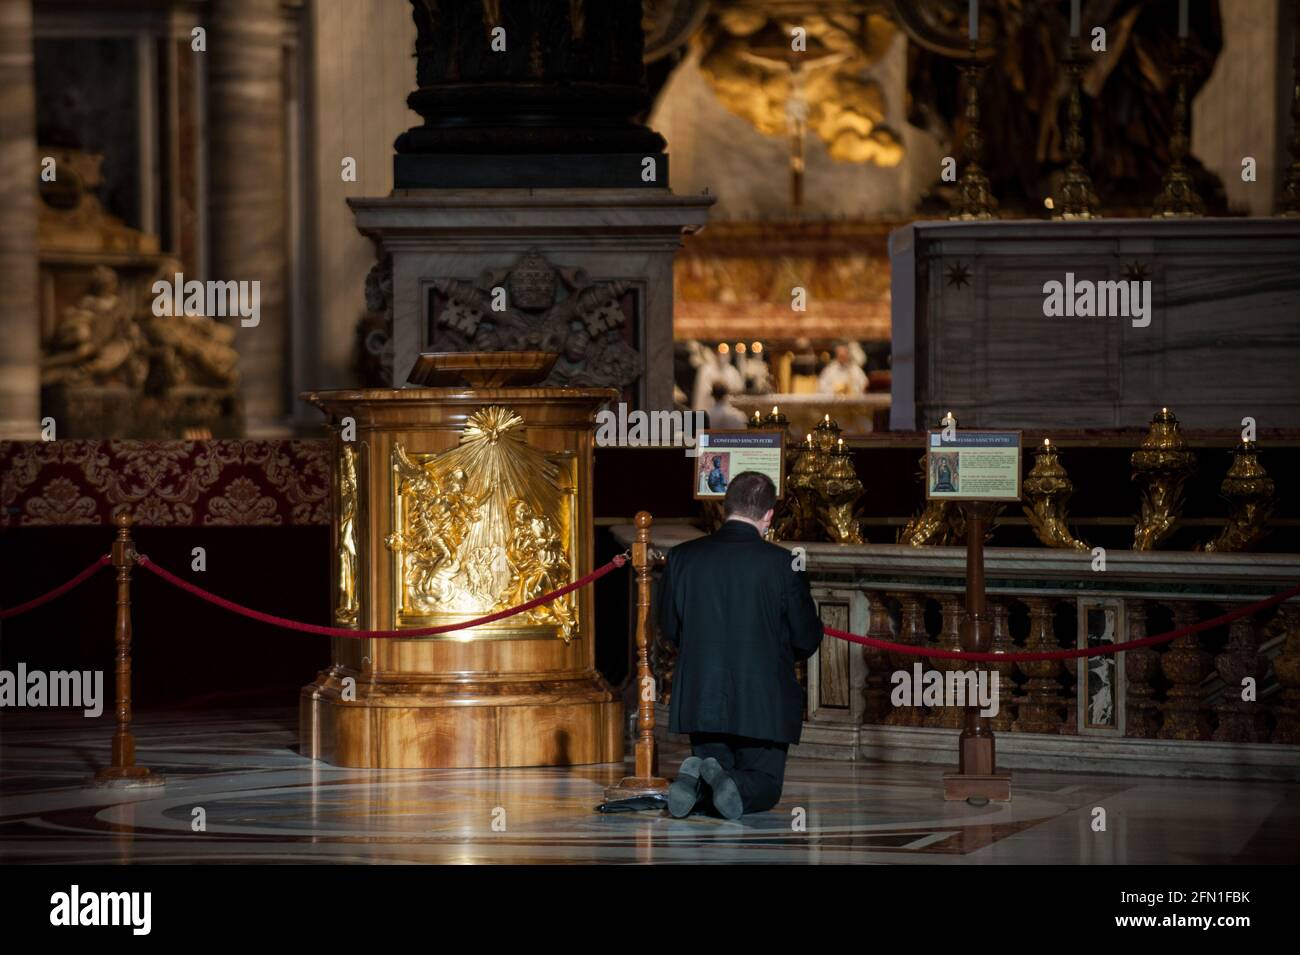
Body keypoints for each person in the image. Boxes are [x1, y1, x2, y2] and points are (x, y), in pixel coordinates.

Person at [657, 471, 824, 819]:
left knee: (714, 769)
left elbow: (670, 629)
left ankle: (697, 783)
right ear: (769, 515)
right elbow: (807, 638)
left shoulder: (681, 558)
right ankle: (711, 783)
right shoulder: (783, 563)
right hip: (763, 702)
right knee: (763, 786)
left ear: (724, 506)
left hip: (702, 697)